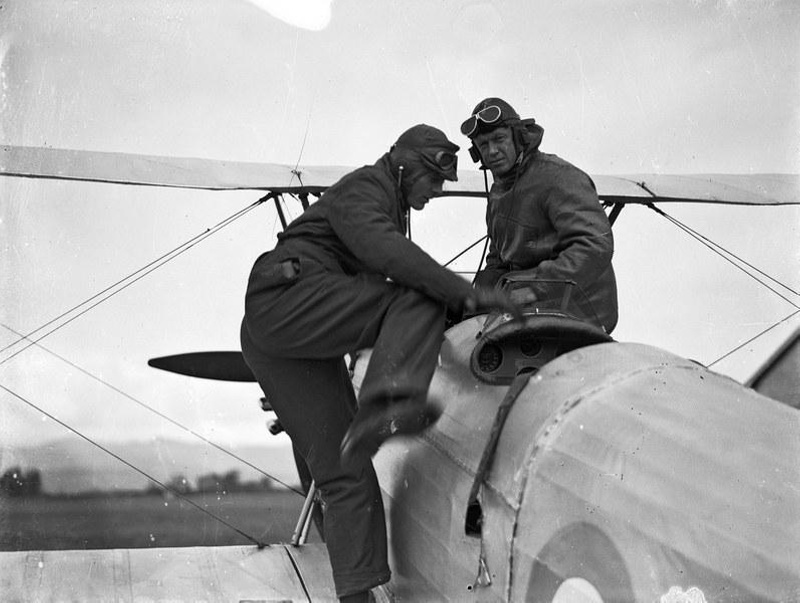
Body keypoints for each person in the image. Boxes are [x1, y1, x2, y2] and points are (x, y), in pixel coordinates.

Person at [240, 124, 518, 602]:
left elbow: (362, 307)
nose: (435, 194)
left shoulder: (384, 199)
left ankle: (357, 597)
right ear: (409, 167)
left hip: (283, 340)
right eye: (433, 182)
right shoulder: (365, 188)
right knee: (419, 297)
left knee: (347, 472)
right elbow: (389, 255)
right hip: (286, 301)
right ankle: (387, 404)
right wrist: (464, 294)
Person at [461, 97, 619, 333]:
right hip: (531, 305)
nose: (492, 151)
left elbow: (595, 244)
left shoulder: (557, 177)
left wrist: (537, 288)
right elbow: (499, 256)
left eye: (499, 139)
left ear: (518, 137)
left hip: (579, 312)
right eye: (483, 145)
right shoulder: (499, 190)